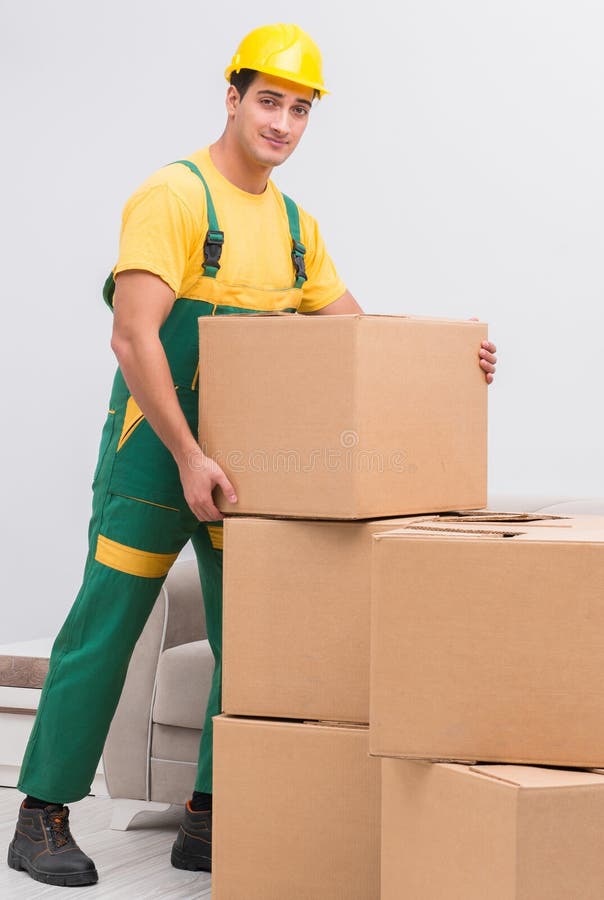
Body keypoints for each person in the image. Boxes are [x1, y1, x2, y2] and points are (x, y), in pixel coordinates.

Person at [7, 22, 498, 888]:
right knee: (104, 633)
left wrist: (453, 359)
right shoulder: (175, 196)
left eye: (299, 109)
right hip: (157, 463)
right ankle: (42, 813)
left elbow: (356, 341)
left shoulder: (298, 229)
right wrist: (190, 456)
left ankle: (210, 813)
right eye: (269, 101)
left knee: (260, 646)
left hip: (254, 474)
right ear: (232, 99)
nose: (282, 122)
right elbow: (134, 338)